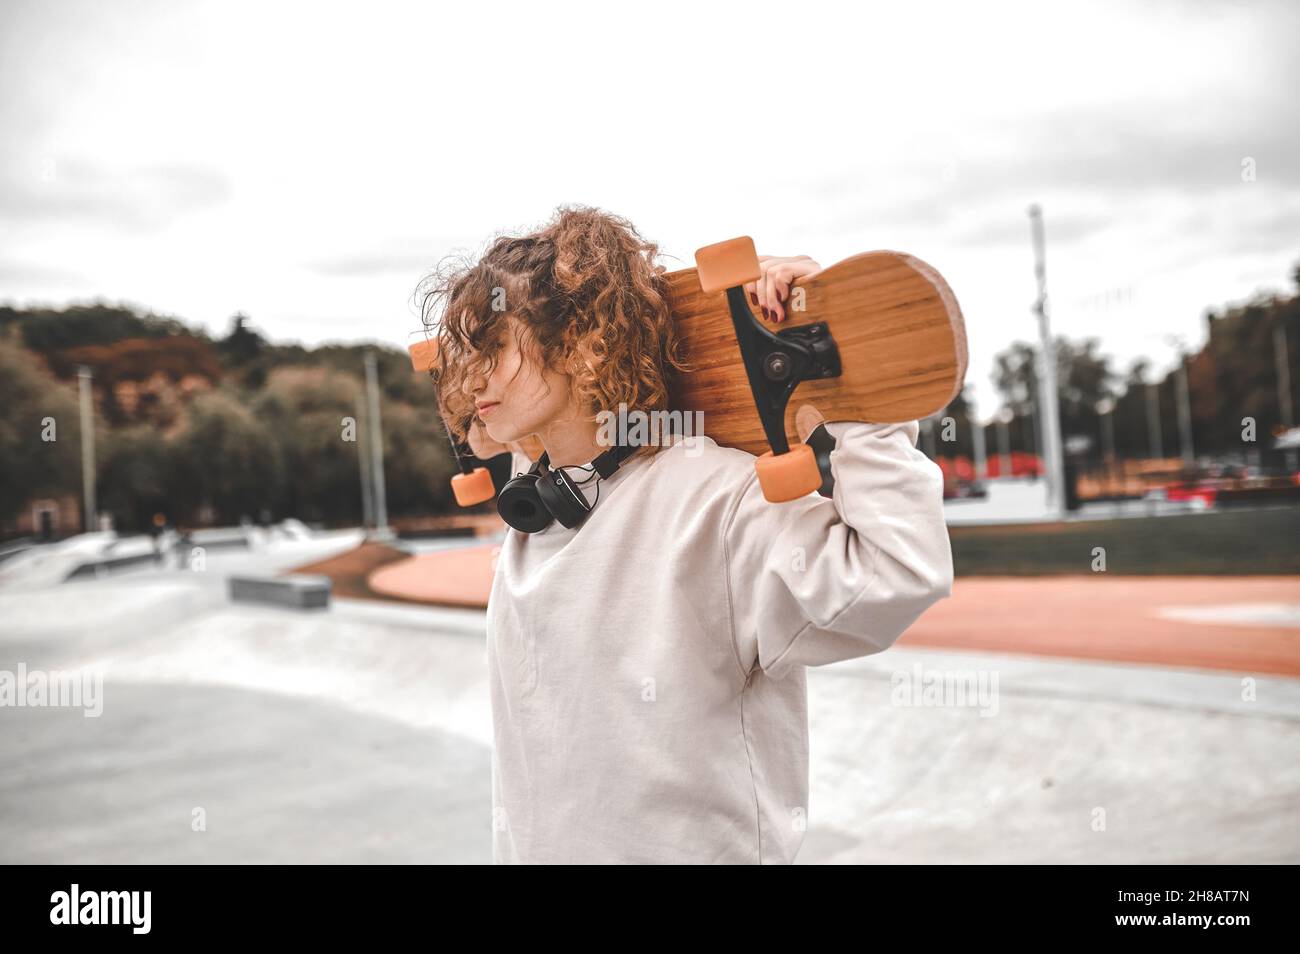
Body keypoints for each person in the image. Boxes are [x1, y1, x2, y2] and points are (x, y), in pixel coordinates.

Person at [417, 205, 953, 863]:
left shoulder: (714, 499)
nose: (475, 377)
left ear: (583, 344)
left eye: (494, 346)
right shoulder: (538, 497)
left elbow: (896, 574)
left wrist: (847, 378)